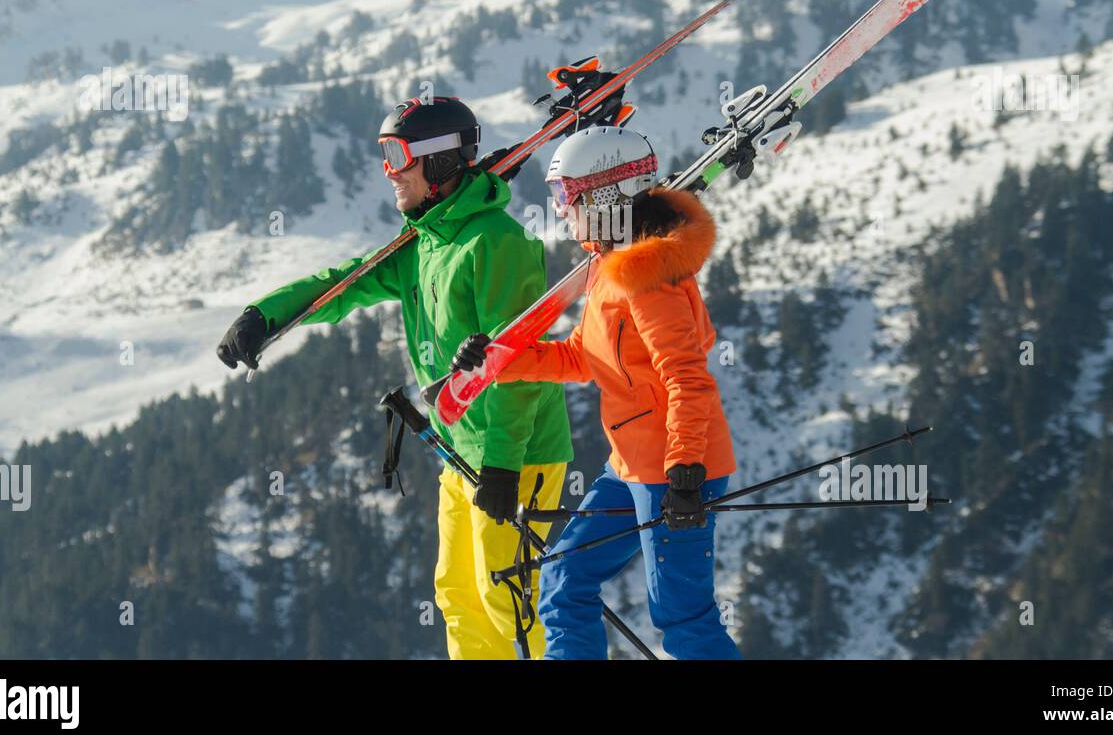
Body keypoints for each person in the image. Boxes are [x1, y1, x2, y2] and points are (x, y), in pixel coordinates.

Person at [216, 96, 572, 659]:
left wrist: (503, 462)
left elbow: (518, 363)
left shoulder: (496, 243)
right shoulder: (422, 244)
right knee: (458, 597)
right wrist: (268, 314)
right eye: (385, 153)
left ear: (439, 162)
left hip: (518, 453)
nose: (387, 170)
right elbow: (346, 284)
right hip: (462, 450)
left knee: (508, 600)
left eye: (397, 155)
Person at [450, 125, 741, 659]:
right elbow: (581, 357)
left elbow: (687, 376)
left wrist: (685, 471)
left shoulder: (648, 276)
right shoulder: (609, 268)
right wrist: (496, 362)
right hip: (629, 465)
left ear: (607, 196)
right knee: (564, 583)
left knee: (683, 621)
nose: (560, 210)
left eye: (568, 197)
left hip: (675, 469)